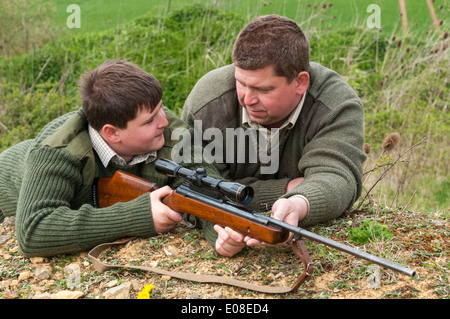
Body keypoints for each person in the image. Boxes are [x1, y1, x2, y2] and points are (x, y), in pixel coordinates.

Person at [181, 15, 367, 257]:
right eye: (241, 83)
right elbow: (202, 189)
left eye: (263, 89)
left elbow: (338, 178)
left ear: (300, 82)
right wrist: (289, 187)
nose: (247, 99)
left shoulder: (336, 104)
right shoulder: (208, 101)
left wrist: (298, 203)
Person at [0, 59, 219, 257]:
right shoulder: (58, 149)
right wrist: (138, 216)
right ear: (112, 132)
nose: (164, 121)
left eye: (161, 108)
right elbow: (33, 231)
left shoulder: (169, 131)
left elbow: (210, 193)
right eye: (150, 120)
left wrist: (222, 233)